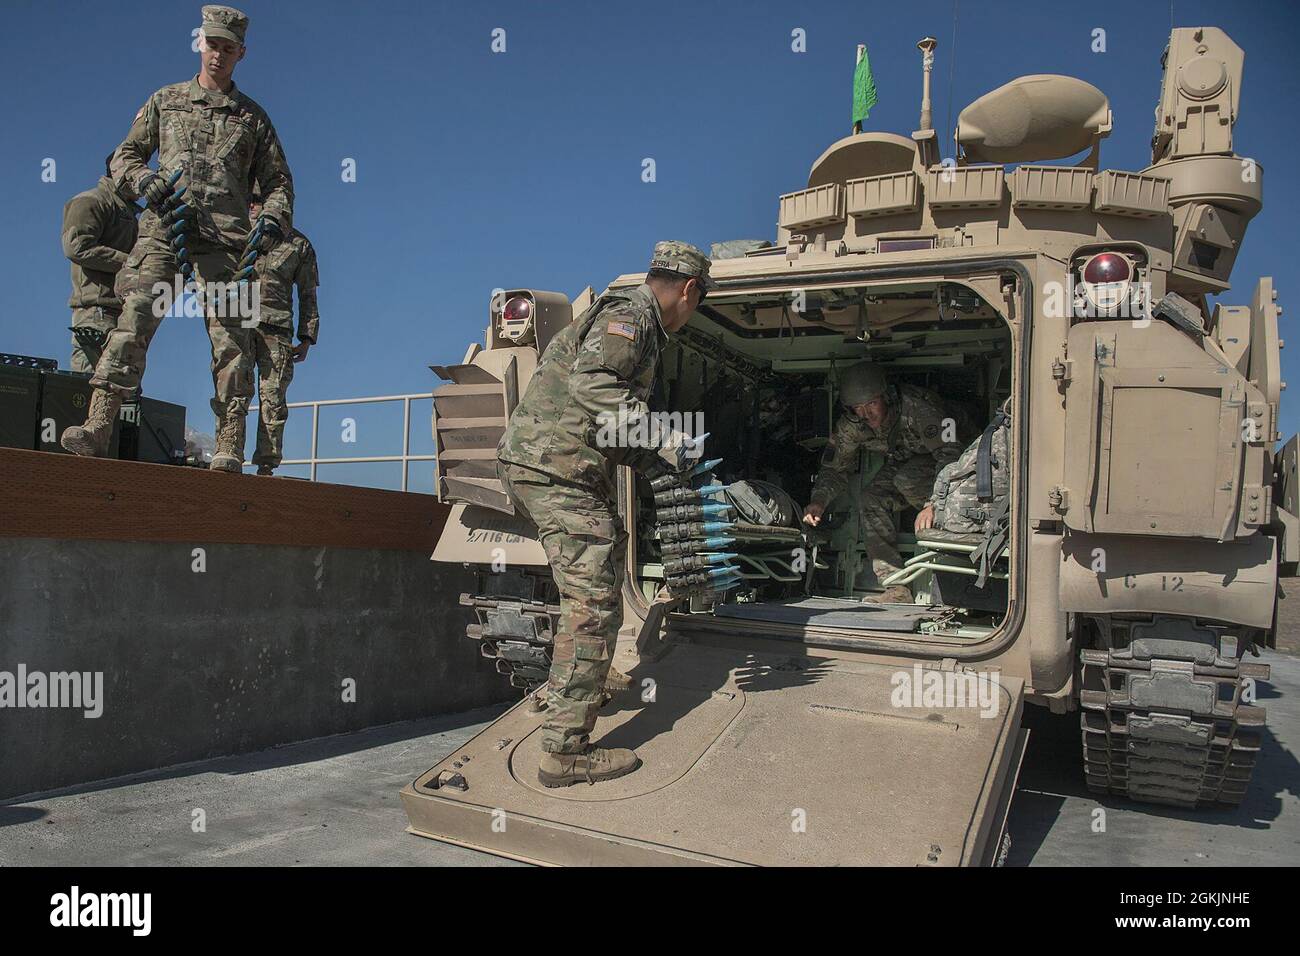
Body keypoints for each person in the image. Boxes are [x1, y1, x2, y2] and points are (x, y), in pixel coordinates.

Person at [497, 241, 715, 787]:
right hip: (555, 470)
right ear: (689, 291)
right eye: (697, 304)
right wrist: (665, 435)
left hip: (553, 467)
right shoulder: (629, 317)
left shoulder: (629, 320)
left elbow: (610, 426)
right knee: (594, 604)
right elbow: (594, 389)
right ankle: (564, 752)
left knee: (599, 570)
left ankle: (575, 681)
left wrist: (662, 460)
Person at [61, 5, 293, 474]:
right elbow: (124, 155)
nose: (218, 55)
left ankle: (230, 439)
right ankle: (97, 423)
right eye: (212, 45)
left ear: (241, 53)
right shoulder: (165, 101)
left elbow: (279, 184)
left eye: (228, 49)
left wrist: (271, 218)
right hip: (165, 231)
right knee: (134, 320)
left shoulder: (253, 119)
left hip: (227, 245)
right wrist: (141, 180)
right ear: (200, 44)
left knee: (233, 340)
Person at [802, 362, 961, 603]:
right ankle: (896, 589)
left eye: (872, 404)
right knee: (871, 497)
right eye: (858, 408)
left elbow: (950, 455)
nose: (866, 414)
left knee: (907, 480)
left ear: (886, 397)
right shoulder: (852, 425)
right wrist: (819, 501)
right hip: (907, 460)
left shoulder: (919, 407)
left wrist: (934, 504)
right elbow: (835, 469)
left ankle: (951, 540)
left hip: (953, 462)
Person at [246, 189, 318, 475]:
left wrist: (307, 337)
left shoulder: (299, 245)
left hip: (277, 330)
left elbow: (308, 294)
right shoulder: (236, 235)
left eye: (259, 199)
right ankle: (228, 457)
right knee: (233, 392)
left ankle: (267, 464)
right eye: (249, 198)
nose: (253, 205)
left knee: (273, 397)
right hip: (237, 324)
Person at [61, 158, 141, 373]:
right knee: (89, 388)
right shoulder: (91, 201)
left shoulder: (128, 211)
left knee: (121, 391)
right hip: (97, 313)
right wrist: (133, 264)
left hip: (121, 312)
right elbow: (77, 247)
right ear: (120, 170)